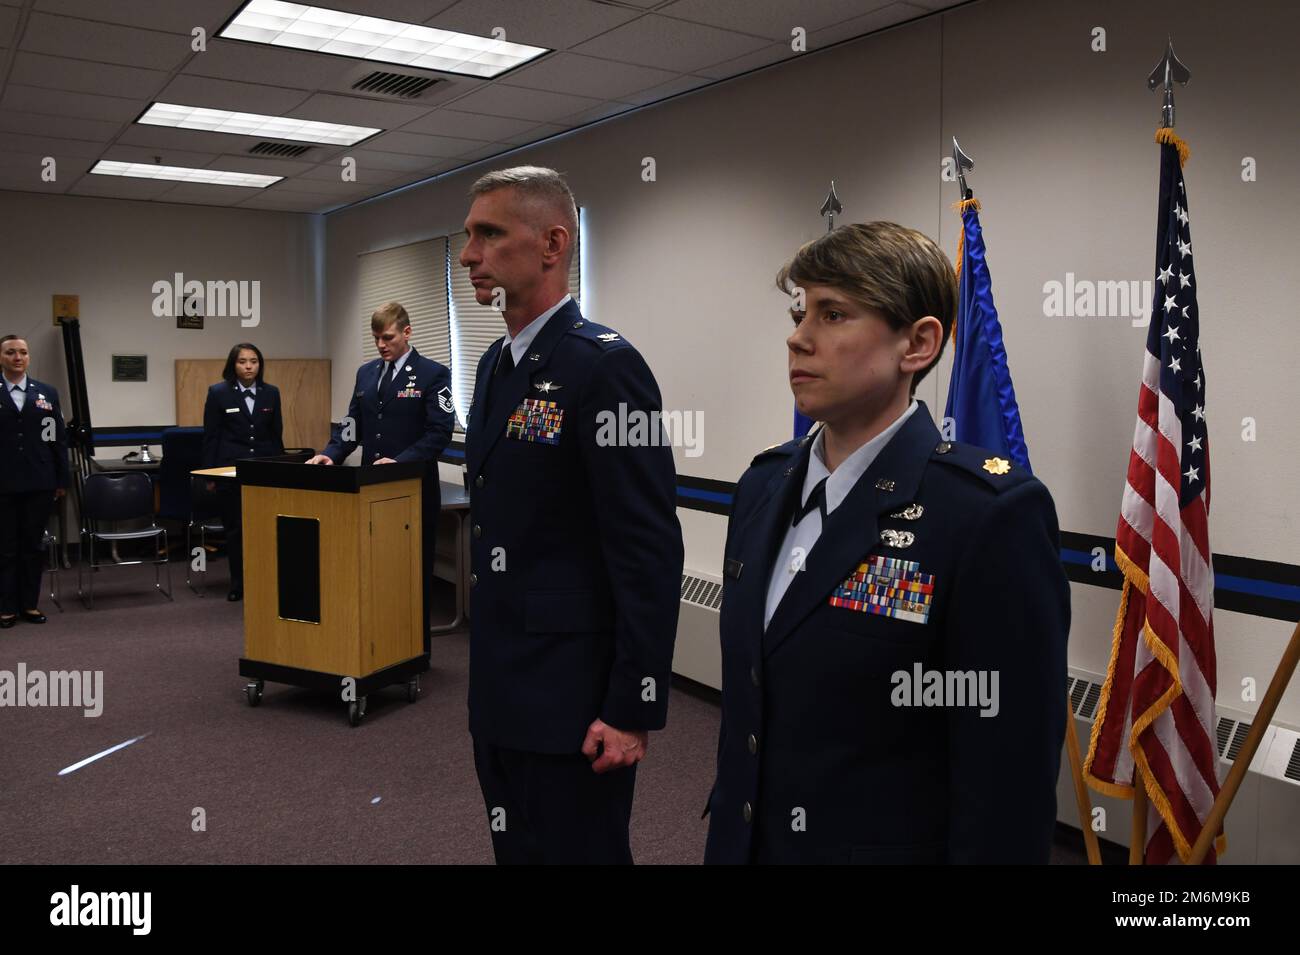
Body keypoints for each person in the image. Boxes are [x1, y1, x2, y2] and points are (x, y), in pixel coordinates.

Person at [703, 222, 1070, 864]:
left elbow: (1006, 779)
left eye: (834, 313)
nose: (798, 336)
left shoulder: (986, 514)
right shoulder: (762, 486)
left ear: (918, 344)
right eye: (800, 312)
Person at [459, 166, 683, 864]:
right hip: (501, 691)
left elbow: (647, 548)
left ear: (553, 243)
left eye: (489, 234)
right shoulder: (496, 362)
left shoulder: (604, 368)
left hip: (574, 702)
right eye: (469, 236)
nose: (469, 254)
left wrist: (631, 706)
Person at [307, 302, 453, 647]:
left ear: (407, 332)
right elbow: (352, 424)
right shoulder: (366, 373)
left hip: (412, 489)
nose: (381, 345)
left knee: (411, 572)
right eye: (376, 338)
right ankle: (378, 646)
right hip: (370, 489)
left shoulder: (433, 373)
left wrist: (401, 461)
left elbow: (439, 432)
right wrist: (330, 454)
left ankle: (416, 649)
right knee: (375, 570)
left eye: (387, 337)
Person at [202, 342, 284, 601]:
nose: (249, 366)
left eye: (254, 361)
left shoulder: (271, 393)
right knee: (236, 530)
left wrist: (281, 469)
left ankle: (266, 580)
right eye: (242, 361)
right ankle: (238, 583)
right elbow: (211, 437)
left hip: (264, 471)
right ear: (233, 365)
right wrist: (210, 474)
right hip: (230, 471)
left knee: (266, 528)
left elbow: (275, 435)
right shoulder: (218, 393)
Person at [0, 335, 69, 628]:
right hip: (2, 483)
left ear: (28, 358)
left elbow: (55, 438)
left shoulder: (46, 393)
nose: (18, 357)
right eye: (11, 352)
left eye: (23, 353)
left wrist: (61, 478)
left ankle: (28, 604)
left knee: (33, 546)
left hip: (39, 481)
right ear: (1, 357)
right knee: (5, 547)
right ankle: (6, 607)